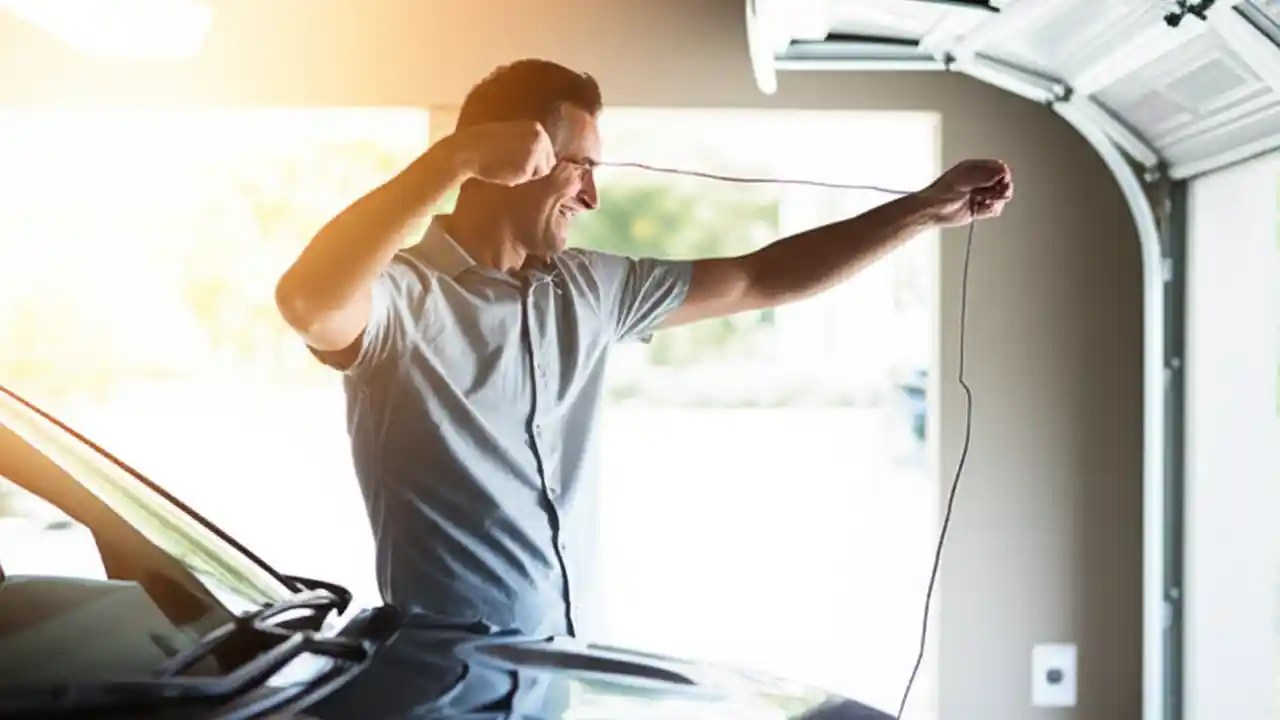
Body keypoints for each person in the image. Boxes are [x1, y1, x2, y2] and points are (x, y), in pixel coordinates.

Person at [275, 58, 1013, 639]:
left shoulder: (591, 290)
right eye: (580, 166)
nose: (592, 195)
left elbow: (762, 275)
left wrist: (922, 210)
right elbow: (307, 300)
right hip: (446, 695)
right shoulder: (401, 303)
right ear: (509, 160)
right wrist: (450, 160)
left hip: (570, 682)